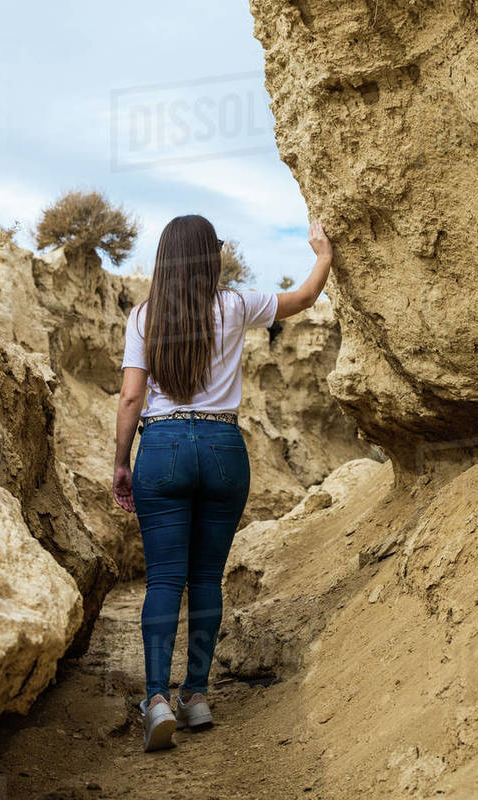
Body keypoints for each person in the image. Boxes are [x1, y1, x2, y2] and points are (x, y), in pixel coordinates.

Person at [112, 213, 333, 752]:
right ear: (211, 258)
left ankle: (157, 699)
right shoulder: (236, 306)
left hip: (161, 447)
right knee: (206, 576)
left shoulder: (144, 318)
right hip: (221, 448)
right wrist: (323, 253)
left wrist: (121, 461)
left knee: (165, 578)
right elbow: (303, 298)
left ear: (165, 258)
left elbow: (130, 398)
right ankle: (197, 696)